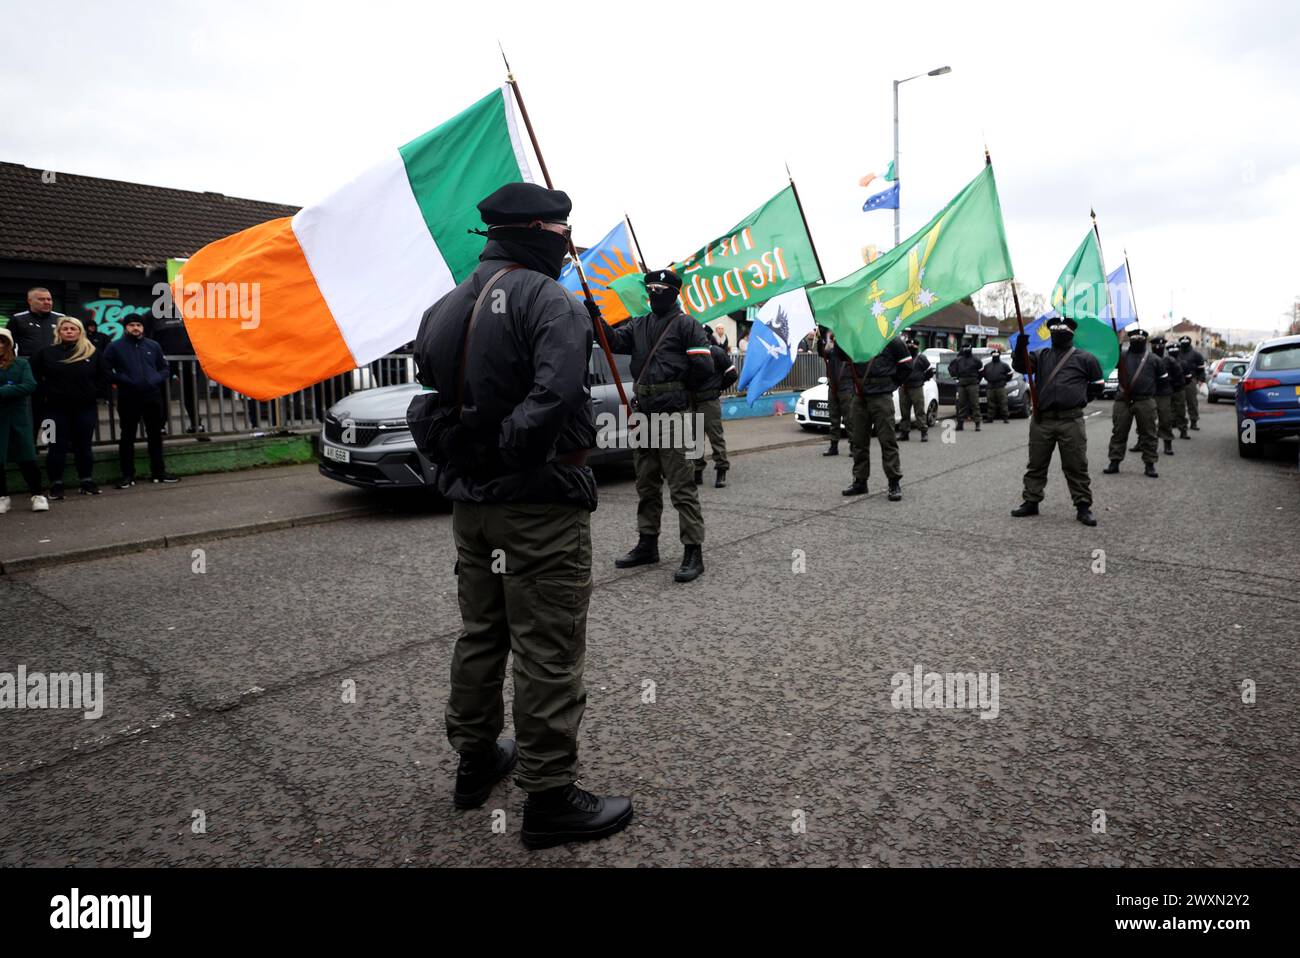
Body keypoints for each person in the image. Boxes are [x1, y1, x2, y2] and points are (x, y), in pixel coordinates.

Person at [411, 181, 632, 850]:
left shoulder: (445, 304)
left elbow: (431, 394)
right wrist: (512, 451)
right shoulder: (550, 301)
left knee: (482, 632)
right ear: (542, 230)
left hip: (472, 506)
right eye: (564, 232)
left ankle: (475, 761)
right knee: (548, 647)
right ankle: (550, 797)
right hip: (536, 504)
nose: (570, 242)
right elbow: (555, 392)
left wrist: (476, 456)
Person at [599, 268, 712, 583]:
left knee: (681, 486)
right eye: (651, 289)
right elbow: (614, 343)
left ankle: (693, 551)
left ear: (675, 293)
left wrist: (676, 388)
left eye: (662, 289)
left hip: (674, 414)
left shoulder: (687, 325)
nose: (655, 294)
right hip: (643, 414)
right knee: (646, 484)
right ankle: (647, 543)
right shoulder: (639, 325)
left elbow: (703, 366)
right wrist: (597, 321)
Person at [1010, 316, 1105, 526]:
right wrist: (1020, 348)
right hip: (1042, 420)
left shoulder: (1085, 359)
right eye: (1055, 331)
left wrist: (1078, 399)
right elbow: (1021, 367)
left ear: (1071, 334)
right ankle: (1031, 501)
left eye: (1063, 331)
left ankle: (1083, 506)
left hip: (1071, 421)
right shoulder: (1041, 355)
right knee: (1036, 464)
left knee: (1076, 465)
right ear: (1051, 335)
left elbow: (1097, 386)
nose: (1059, 334)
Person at [31, 317, 106, 498]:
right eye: (65, 329)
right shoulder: (45, 353)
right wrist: (45, 392)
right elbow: (32, 376)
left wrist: (94, 393)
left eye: (73, 328)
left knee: (84, 446)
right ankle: (56, 484)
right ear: (59, 332)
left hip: (85, 409)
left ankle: (86, 480)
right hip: (53, 410)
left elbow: (104, 376)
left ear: (80, 331)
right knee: (55, 446)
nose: (69, 331)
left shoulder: (92, 352)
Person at [104, 318, 180, 486]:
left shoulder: (153, 345)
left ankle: (159, 472)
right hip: (128, 396)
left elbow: (164, 368)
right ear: (125, 328)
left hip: (152, 395)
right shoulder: (115, 346)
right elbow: (106, 369)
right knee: (127, 436)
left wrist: (155, 379)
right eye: (132, 325)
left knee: (155, 434)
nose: (135, 328)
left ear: (143, 327)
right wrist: (125, 380)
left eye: (138, 325)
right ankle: (128, 475)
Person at [843, 335, 913, 500]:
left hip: (881, 396)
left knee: (887, 440)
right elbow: (842, 358)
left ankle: (894, 482)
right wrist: (838, 335)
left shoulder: (892, 340)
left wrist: (891, 384)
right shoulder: (856, 338)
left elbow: (907, 365)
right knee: (858, 441)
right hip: (860, 395)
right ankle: (860, 481)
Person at [1103, 327, 1164, 478]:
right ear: (1130, 340)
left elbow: (1162, 381)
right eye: (1134, 339)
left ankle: (1150, 464)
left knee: (1149, 433)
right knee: (1119, 432)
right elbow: (1109, 359)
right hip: (1123, 400)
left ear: (1145, 341)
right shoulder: (1121, 356)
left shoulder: (1154, 359)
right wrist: (1115, 342)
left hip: (1145, 401)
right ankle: (1114, 462)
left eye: (1140, 339)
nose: (1137, 341)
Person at [0, 328, 49, 514]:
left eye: (2, 341)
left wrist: (3, 391)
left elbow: (29, 385)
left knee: (27, 458)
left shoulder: (21, 364)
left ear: (9, 344)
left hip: (17, 417)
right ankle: (3, 497)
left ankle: (37, 495)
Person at [7, 287, 64, 442]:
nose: (47, 302)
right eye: (42, 299)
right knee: (31, 412)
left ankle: (49, 442)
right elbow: (9, 347)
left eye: (49, 299)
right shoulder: (18, 319)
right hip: (30, 374)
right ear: (30, 301)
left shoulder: (60, 318)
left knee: (52, 412)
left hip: (55, 374)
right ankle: (29, 446)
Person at [690, 342, 735, 488]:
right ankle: (697, 472)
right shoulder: (687, 353)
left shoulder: (715, 352)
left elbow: (732, 374)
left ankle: (721, 470)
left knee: (716, 437)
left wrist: (717, 388)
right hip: (692, 401)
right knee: (694, 440)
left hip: (709, 401)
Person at [818, 329, 856, 456]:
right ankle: (833, 446)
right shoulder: (833, 351)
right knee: (834, 419)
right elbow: (822, 353)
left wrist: (838, 340)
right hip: (833, 387)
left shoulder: (849, 351)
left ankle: (853, 447)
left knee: (849, 419)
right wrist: (820, 340)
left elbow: (842, 352)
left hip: (846, 388)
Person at [1142, 336, 1176, 457]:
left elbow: (1178, 377)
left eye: (1161, 346)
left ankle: (1167, 444)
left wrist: (1170, 386)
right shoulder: (1146, 359)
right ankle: (1141, 443)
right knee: (1145, 420)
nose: (1158, 348)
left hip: (1164, 393)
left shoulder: (1169, 360)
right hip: (1149, 393)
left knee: (1165, 419)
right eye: (1156, 345)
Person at [897, 337, 932, 442]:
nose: (910, 347)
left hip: (916, 387)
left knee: (919, 411)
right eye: (908, 345)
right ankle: (904, 433)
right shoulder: (902, 357)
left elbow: (930, 372)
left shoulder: (921, 358)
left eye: (913, 345)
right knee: (904, 412)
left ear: (917, 346)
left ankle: (923, 432)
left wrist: (921, 380)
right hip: (904, 387)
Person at [948, 342, 983, 431]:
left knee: (975, 404)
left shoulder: (976, 360)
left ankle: (977, 423)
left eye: (967, 348)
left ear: (971, 348)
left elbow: (981, 372)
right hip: (962, 384)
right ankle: (960, 423)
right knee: (961, 404)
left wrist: (977, 381)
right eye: (964, 348)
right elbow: (951, 368)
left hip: (973, 384)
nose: (966, 350)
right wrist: (955, 378)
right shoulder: (958, 360)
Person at [1177, 335, 1207, 431]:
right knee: (1178, 403)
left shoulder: (1196, 355)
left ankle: (1193, 421)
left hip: (1191, 380)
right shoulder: (1176, 353)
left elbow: (1201, 369)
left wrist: (1201, 380)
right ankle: (1177, 422)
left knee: (1192, 402)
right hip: (1178, 381)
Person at [1165, 340, 1190, 439]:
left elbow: (1188, 377)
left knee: (1180, 411)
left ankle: (1182, 430)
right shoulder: (1165, 362)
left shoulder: (1183, 363)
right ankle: (1170, 431)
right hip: (1172, 390)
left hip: (1178, 390)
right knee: (1169, 412)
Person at [980, 348, 1013, 423]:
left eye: (996, 355)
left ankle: (1005, 418)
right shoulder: (987, 366)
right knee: (990, 403)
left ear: (999, 356)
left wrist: (1004, 380)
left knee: (1003, 402)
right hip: (990, 386)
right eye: (994, 355)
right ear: (992, 356)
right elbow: (984, 374)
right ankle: (990, 418)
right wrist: (989, 379)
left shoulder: (1004, 365)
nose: (995, 356)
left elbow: (1010, 374)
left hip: (1000, 386)